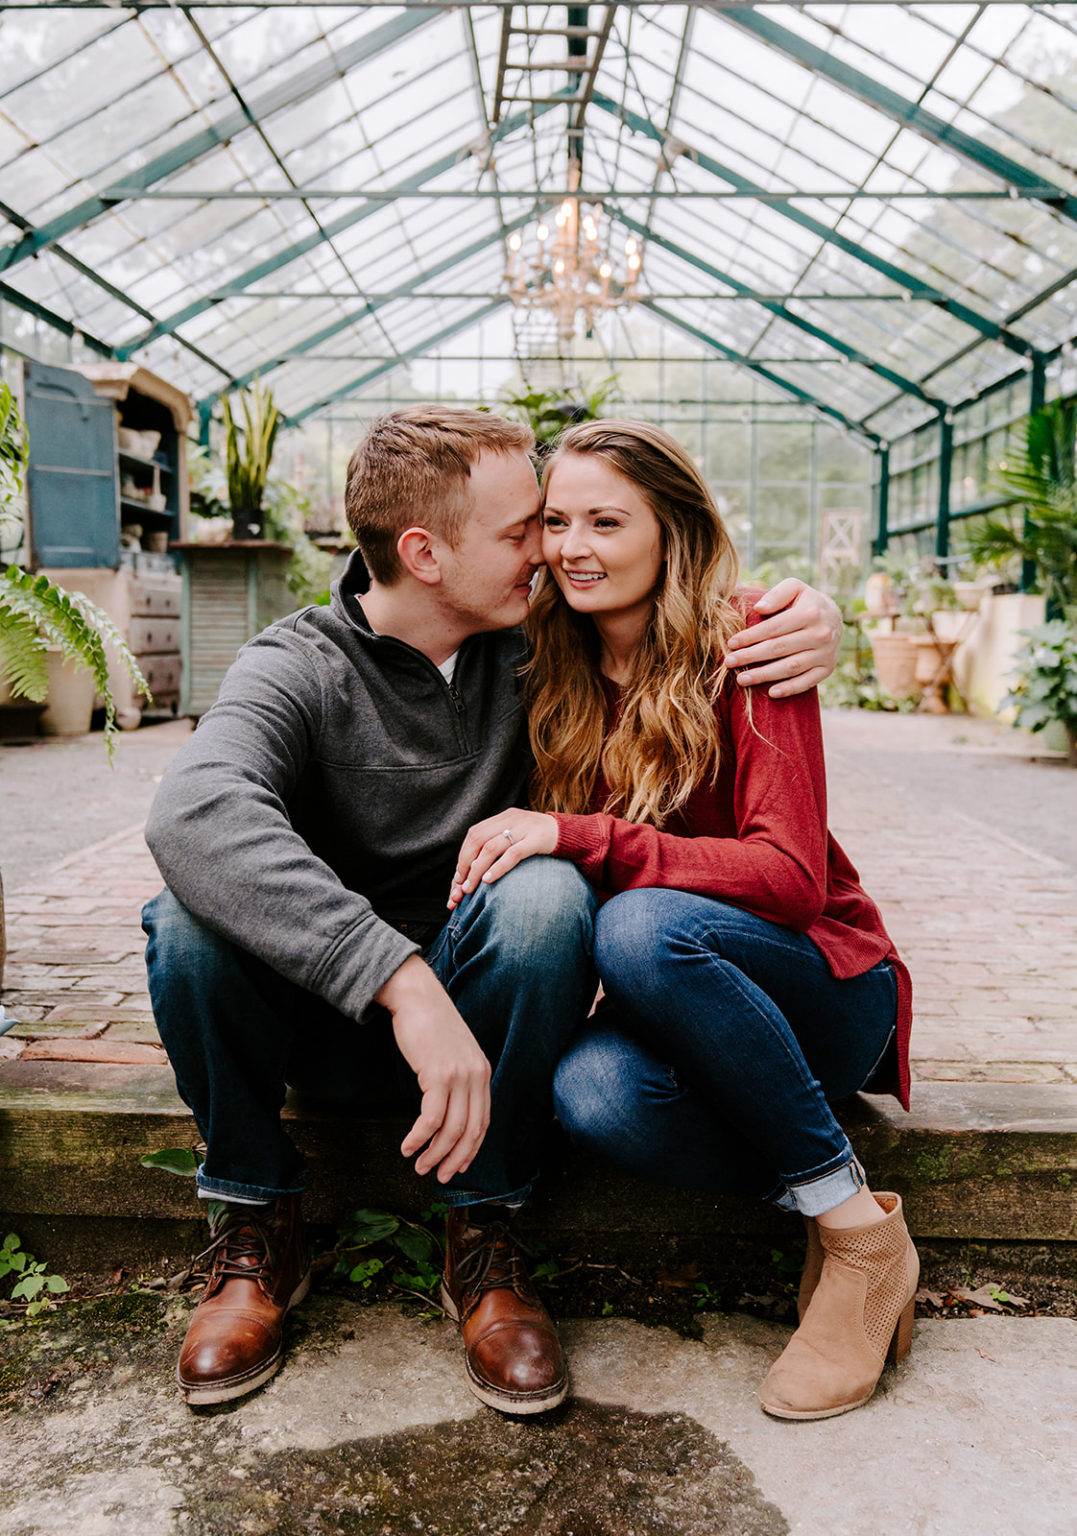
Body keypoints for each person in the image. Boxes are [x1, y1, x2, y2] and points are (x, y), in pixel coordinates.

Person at [142, 406, 842, 1416]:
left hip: (501, 1028)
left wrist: (804, 612)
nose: (553, 553)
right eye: (527, 530)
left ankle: (485, 1232)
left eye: (558, 525)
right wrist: (397, 979)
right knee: (188, 915)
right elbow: (194, 810)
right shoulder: (294, 666)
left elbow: (682, 605)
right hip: (333, 1027)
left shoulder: (544, 653)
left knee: (550, 896)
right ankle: (255, 1222)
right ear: (424, 553)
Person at [450, 418, 917, 1422]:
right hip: (686, 1006)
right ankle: (821, 1194)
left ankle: (860, 1241)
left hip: (822, 986)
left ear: (674, 529)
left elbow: (790, 878)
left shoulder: (747, 643)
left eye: (607, 521)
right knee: (596, 1093)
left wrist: (586, 839)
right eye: (556, 521)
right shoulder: (547, 669)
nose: (575, 546)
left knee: (641, 926)